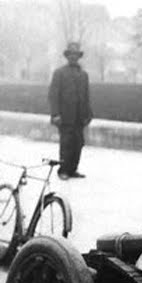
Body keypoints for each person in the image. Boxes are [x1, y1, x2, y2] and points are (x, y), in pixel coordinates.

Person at [48, 42, 92, 180]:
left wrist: (88, 114)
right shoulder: (59, 73)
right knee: (66, 144)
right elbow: (53, 95)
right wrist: (55, 114)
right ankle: (63, 170)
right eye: (71, 55)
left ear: (79, 57)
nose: (73, 57)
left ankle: (73, 169)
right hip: (64, 116)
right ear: (67, 57)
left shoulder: (84, 74)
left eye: (76, 55)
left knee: (78, 144)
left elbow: (86, 96)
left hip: (79, 117)